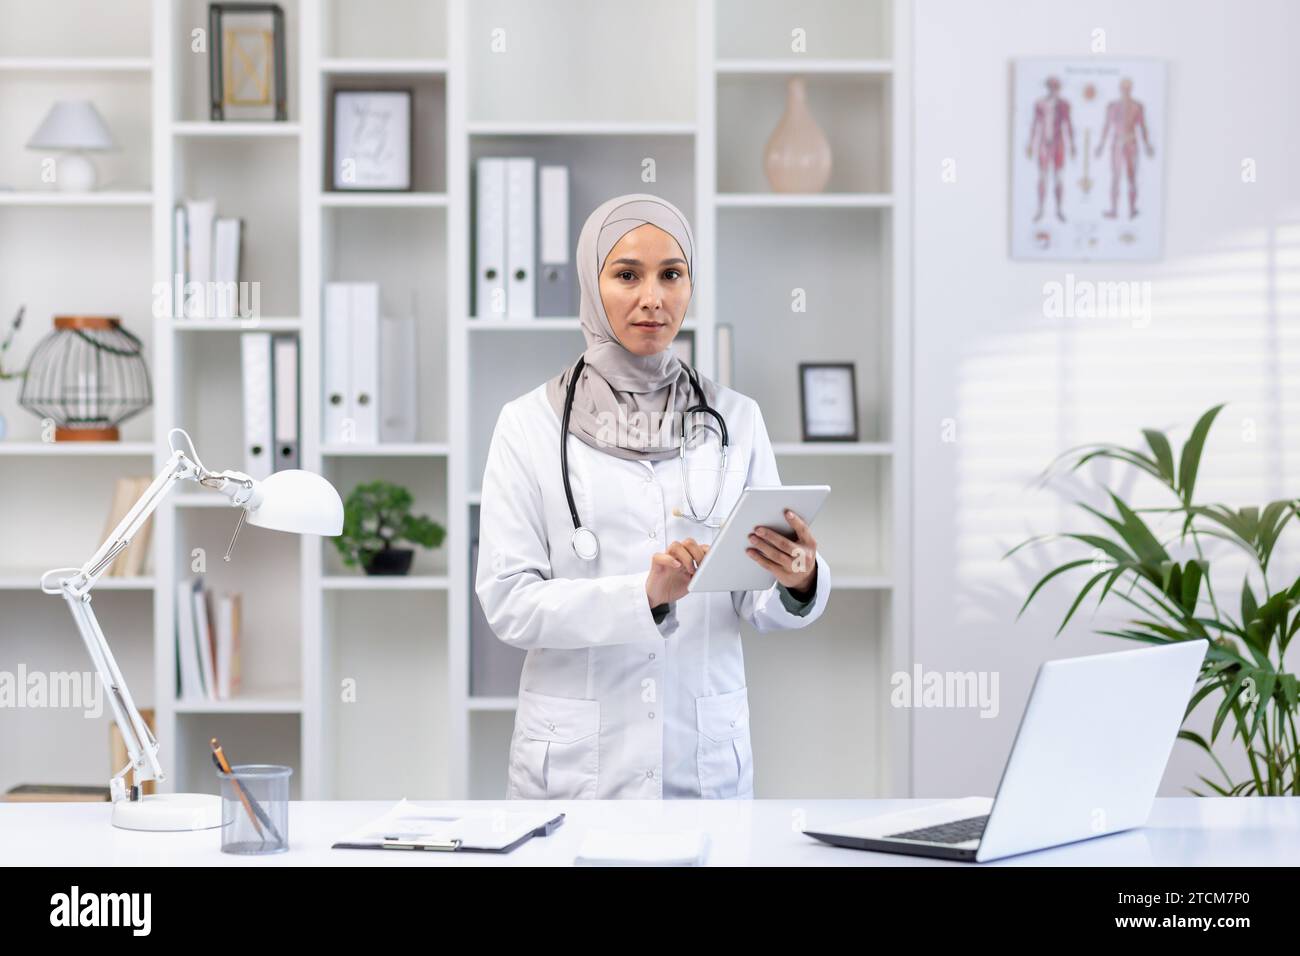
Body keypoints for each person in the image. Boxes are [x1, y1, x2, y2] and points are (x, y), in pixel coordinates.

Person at [475, 193, 832, 800]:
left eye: (672, 274)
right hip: (578, 766)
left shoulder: (735, 419)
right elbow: (509, 603)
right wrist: (642, 596)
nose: (652, 298)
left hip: (700, 756)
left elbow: (754, 601)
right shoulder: (527, 424)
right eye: (626, 275)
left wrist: (797, 579)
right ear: (592, 282)